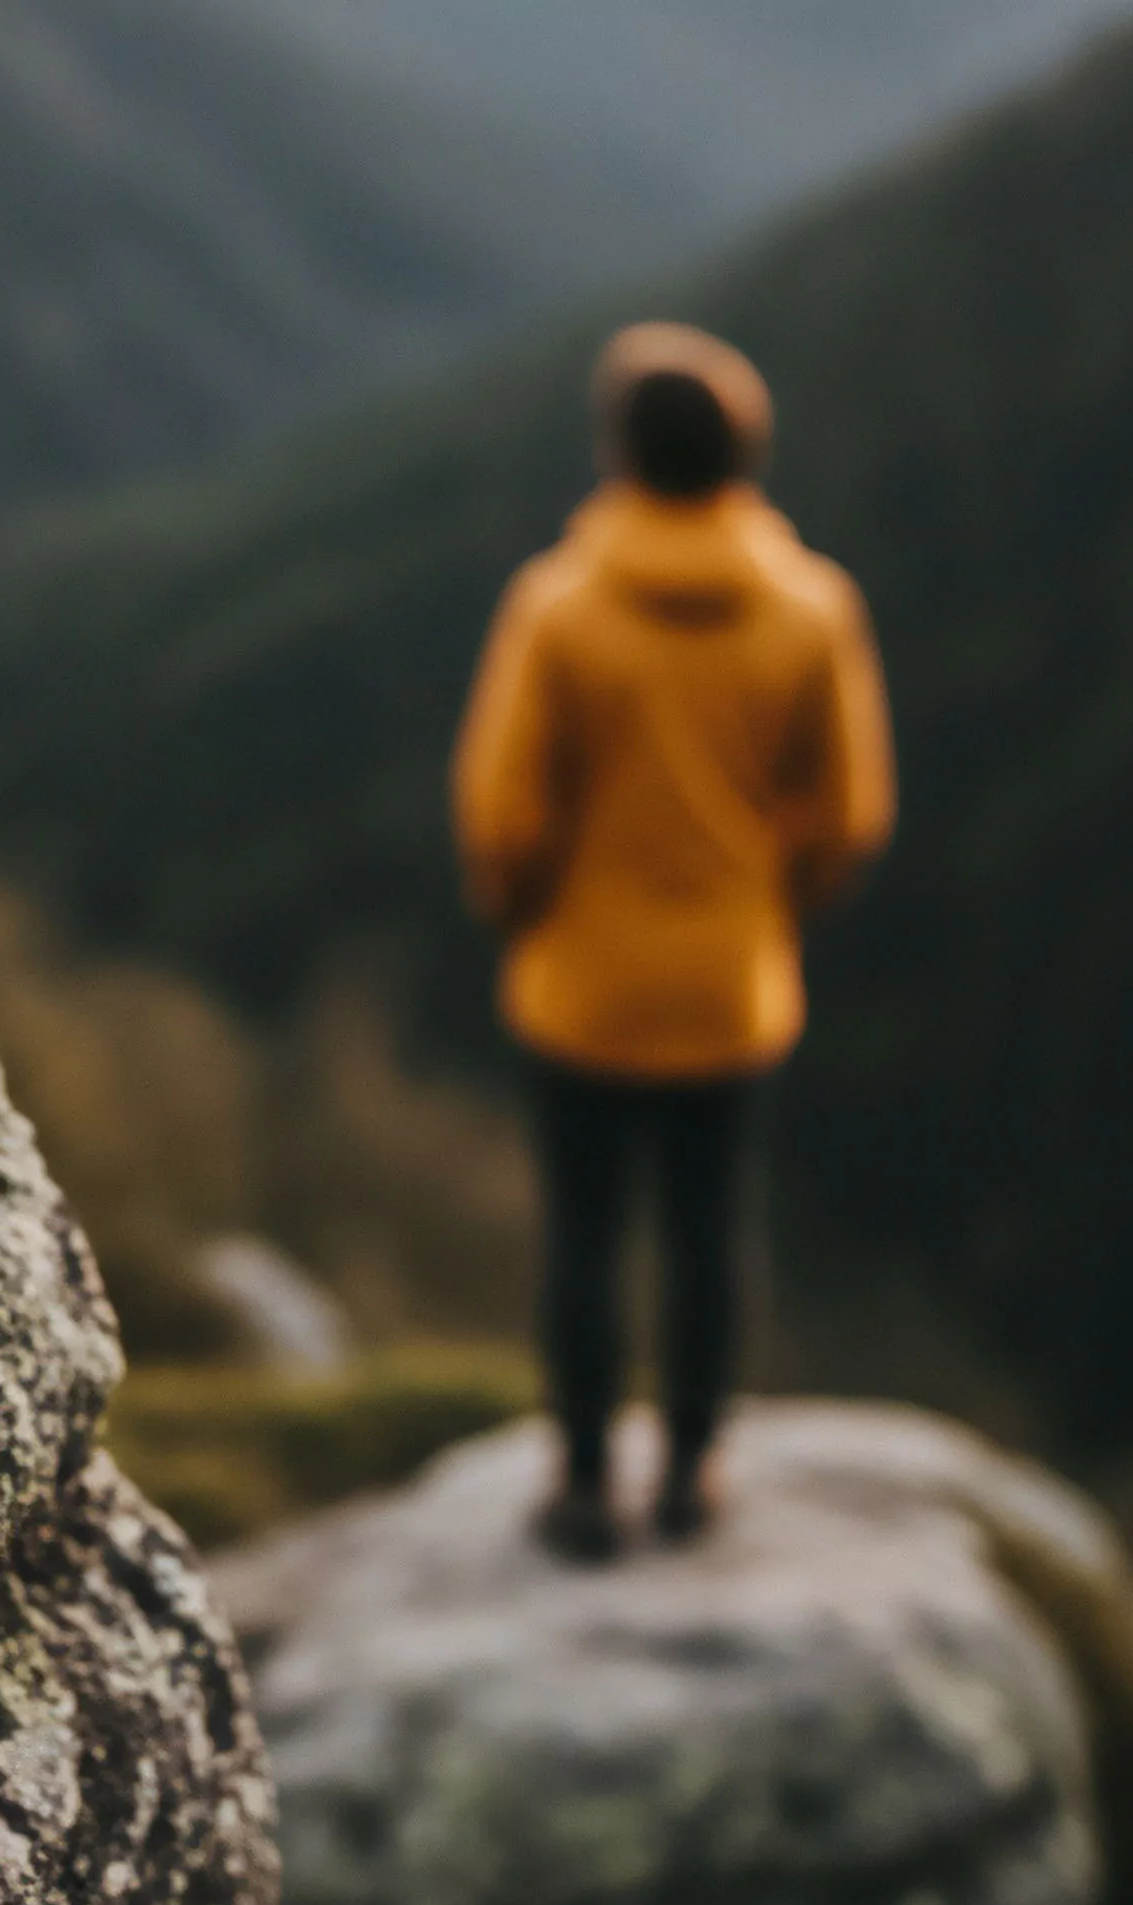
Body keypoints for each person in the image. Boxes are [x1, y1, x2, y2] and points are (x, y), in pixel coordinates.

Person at [451, 322, 895, 1560]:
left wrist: (523, 907)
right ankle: (695, 1470)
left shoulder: (558, 609)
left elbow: (501, 813)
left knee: (583, 1237)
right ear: (745, 457)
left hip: (581, 990)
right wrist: (773, 897)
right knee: (709, 1232)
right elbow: (848, 813)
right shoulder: (813, 612)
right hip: (729, 988)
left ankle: (588, 1481)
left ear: (617, 453)